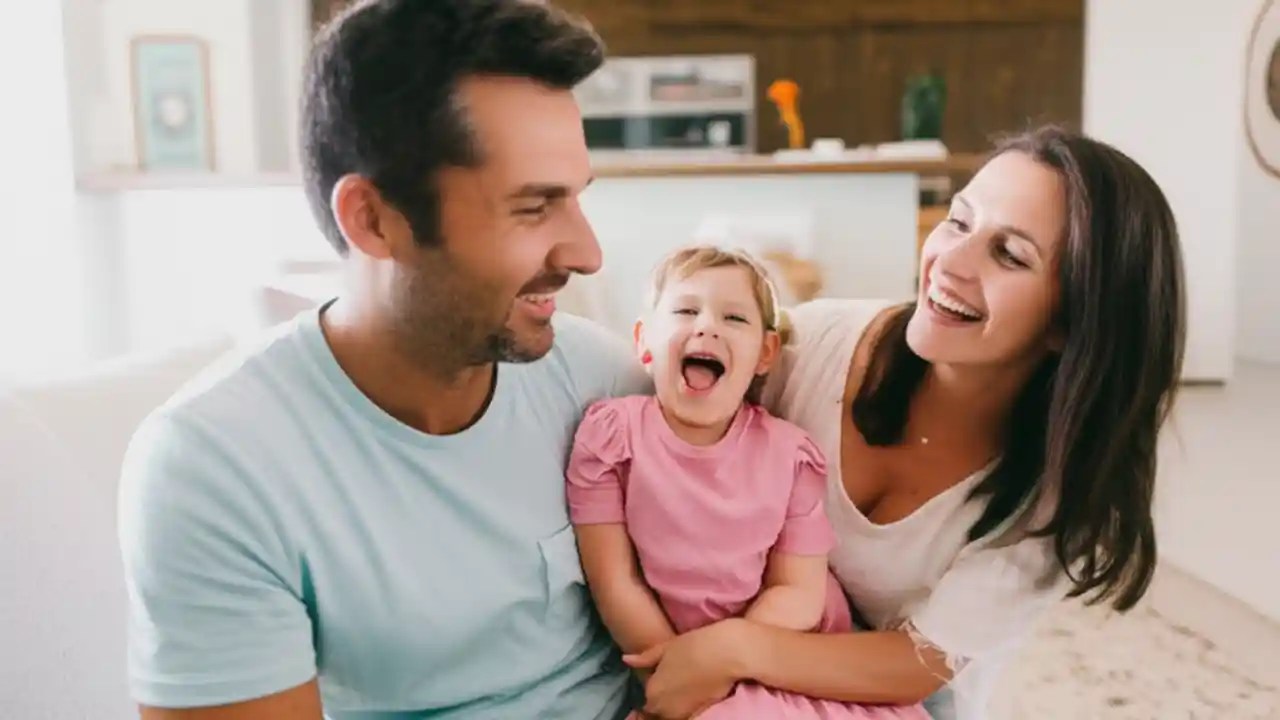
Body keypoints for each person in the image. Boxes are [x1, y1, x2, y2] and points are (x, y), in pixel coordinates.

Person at [116, 2, 649, 718]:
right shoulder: (216, 468)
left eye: (577, 199)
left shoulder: (605, 389)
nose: (587, 253)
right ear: (372, 220)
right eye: (532, 207)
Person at [624, 126, 1186, 720]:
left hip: (898, 695)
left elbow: (914, 666)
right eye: (959, 222)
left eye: (1009, 255)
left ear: (1071, 322)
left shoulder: (1056, 498)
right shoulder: (807, 349)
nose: (951, 263)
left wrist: (732, 651)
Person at [566, 247, 927, 719]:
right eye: (685, 311)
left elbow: (799, 593)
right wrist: (673, 677)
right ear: (644, 341)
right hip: (665, 658)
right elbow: (615, 581)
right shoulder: (610, 437)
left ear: (765, 353)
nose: (707, 326)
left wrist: (723, 661)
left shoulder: (791, 456)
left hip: (782, 654)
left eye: (734, 318)